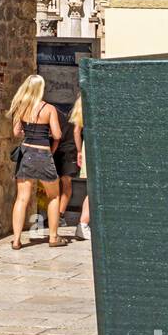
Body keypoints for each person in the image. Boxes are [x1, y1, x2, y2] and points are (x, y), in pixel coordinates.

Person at [8, 73, 64, 250]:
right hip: (42, 155)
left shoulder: (20, 107)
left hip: (26, 153)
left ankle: (16, 240)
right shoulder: (49, 109)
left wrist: (28, 130)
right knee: (53, 196)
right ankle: (53, 237)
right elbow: (57, 135)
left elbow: (16, 132)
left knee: (22, 199)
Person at [53, 99, 80, 223]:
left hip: (58, 149)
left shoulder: (58, 112)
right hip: (70, 150)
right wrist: (80, 151)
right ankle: (59, 215)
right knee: (66, 184)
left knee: (57, 183)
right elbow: (76, 132)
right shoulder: (79, 115)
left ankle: (55, 214)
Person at [69, 93, 91, 240]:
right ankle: (83, 223)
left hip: (86, 146)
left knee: (92, 187)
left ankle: (83, 224)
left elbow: (76, 131)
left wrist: (79, 151)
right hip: (95, 147)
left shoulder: (82, 103)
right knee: (94, 189)